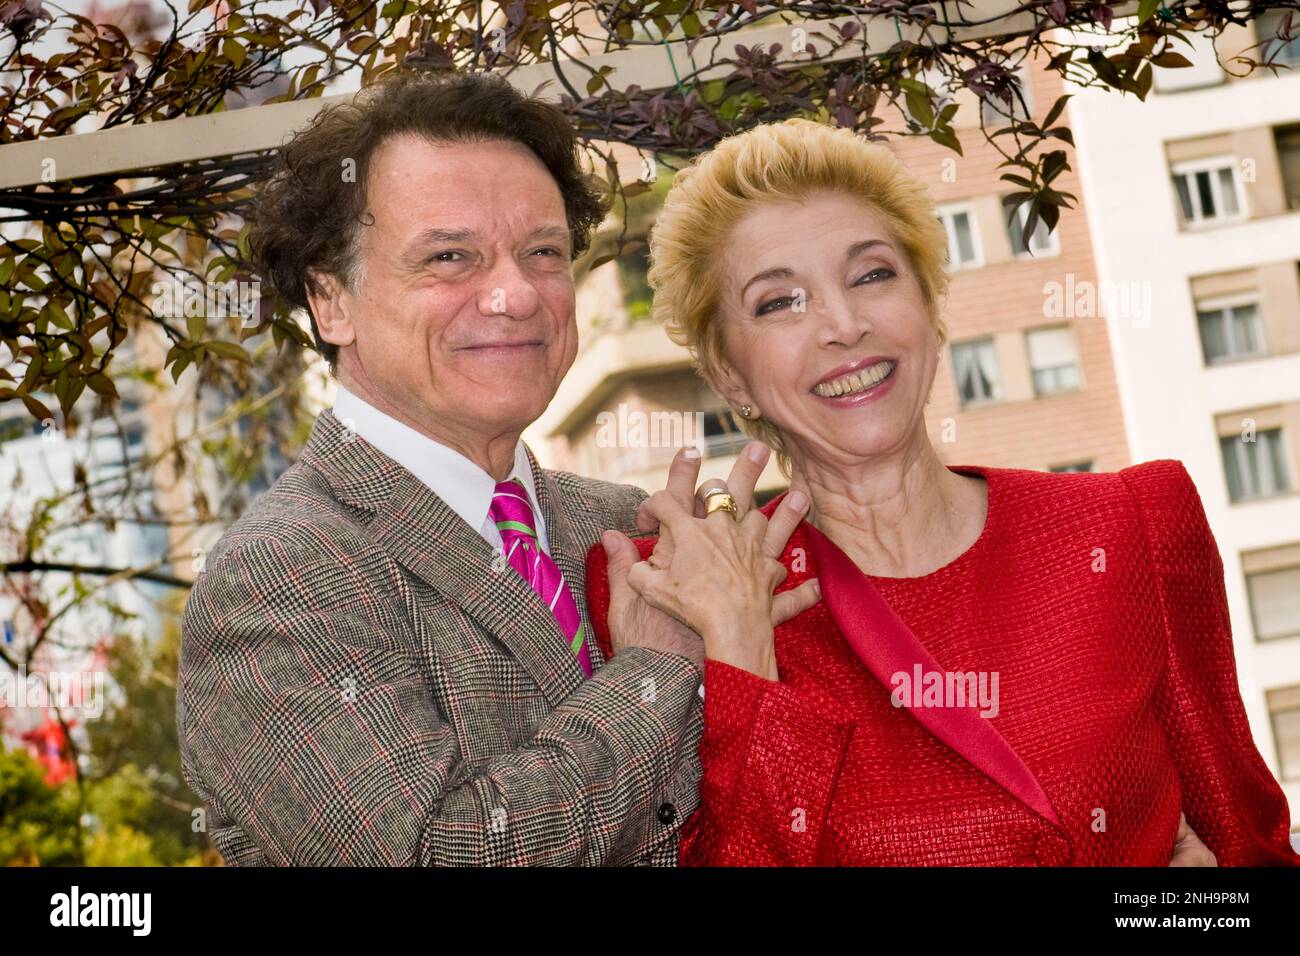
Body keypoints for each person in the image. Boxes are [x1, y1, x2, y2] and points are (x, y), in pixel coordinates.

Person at [585, 117, 1298, 866]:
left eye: (872, 275)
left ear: (930, 305)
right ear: (730, 377)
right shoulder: (671, 597)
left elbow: (1248, 848)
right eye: (779, 302)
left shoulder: (1129, 527)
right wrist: (739, 654)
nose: (844, 324)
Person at [176, 70, 816, 866]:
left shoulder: (630, 524)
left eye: (542, 252)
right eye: (451, 257)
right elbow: (439, 855)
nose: (515, 293)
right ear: (332, 300)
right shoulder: (281, 574)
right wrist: (658, 670)